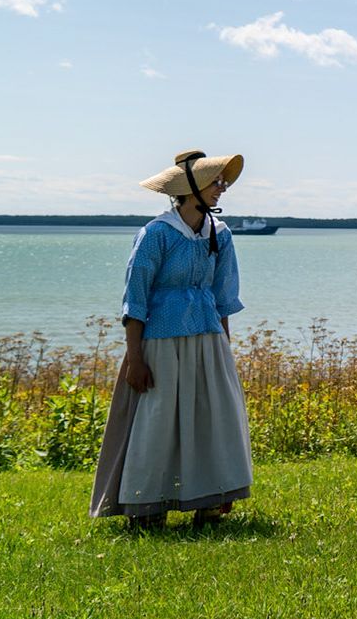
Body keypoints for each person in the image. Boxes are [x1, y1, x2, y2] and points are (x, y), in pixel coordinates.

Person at [90, 149, 254, 529]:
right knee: (158, 420)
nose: (221, 189)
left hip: (208, 339)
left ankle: (211, 502)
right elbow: (136, 300)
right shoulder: (156, 235)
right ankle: (148, 507)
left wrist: (225, 352)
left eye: (222, 182)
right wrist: (134, 358)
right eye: (215, 182)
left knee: (213, 416)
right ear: (189, 188)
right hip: (160, 342)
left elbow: (223, 298)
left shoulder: (221, 234)